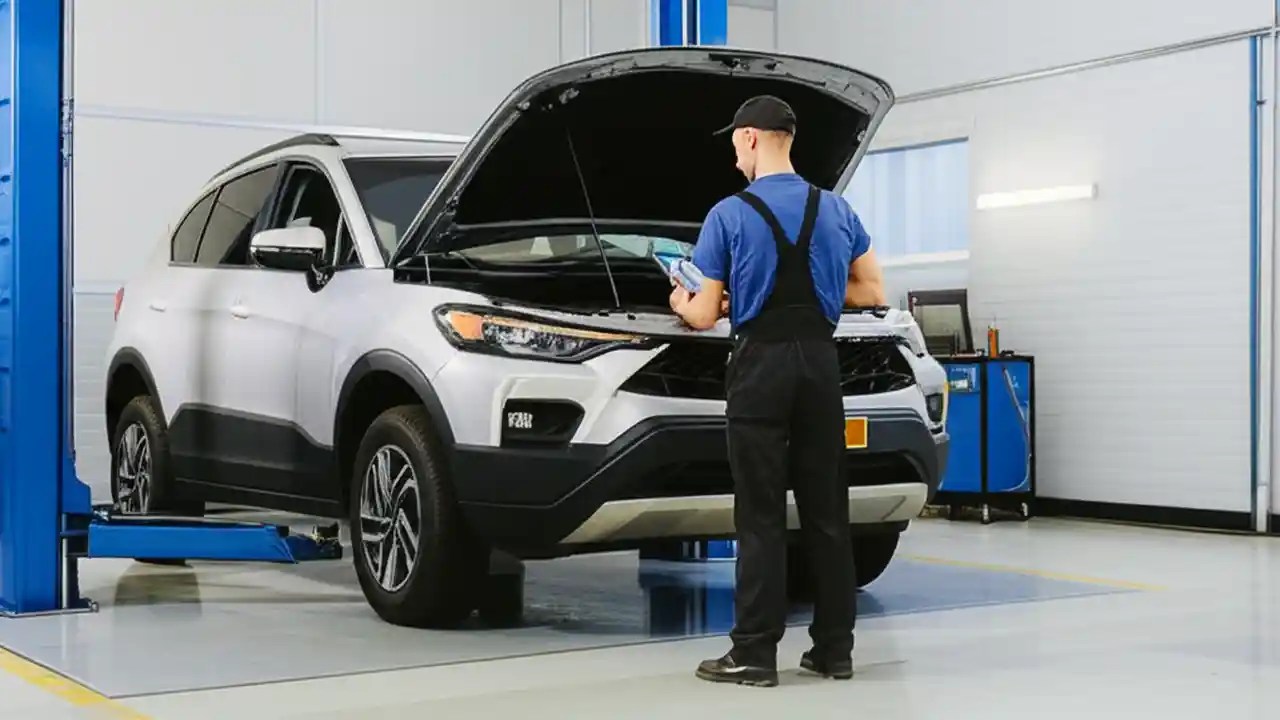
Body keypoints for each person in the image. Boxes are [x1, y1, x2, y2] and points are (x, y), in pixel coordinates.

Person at [668, 95, 884, 687]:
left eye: (735, 141)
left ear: (753, 139)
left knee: (760, 512)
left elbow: (706, 311)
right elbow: (869, 291)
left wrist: (680, 300)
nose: (734, 152)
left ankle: (755, 654)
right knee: (827, 511)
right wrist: (811, 296)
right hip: (819, 363)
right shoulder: (837, 209)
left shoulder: (729, 214)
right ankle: (834, 650)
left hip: (760, 364)